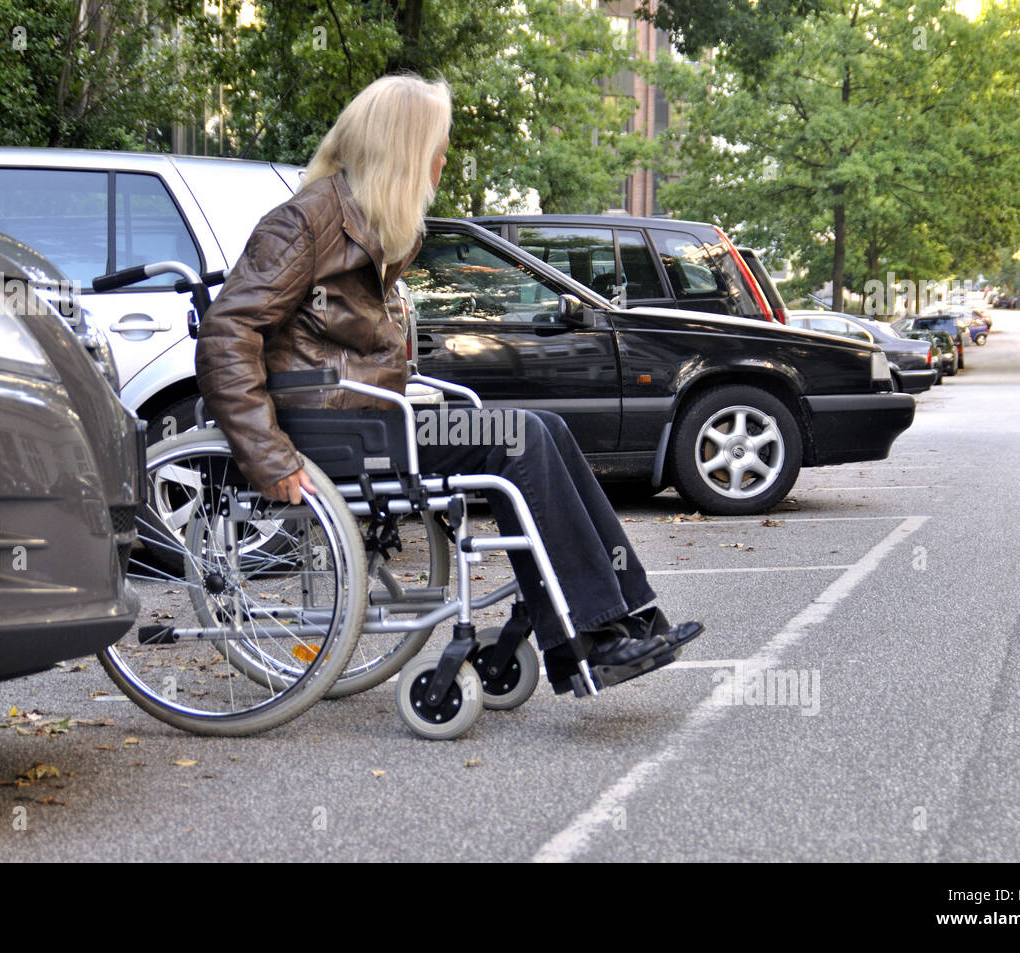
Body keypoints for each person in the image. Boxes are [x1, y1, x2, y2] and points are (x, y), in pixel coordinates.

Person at [195, 74, 702, 693]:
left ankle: (624, 617)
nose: (444, 158)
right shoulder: (303, 223)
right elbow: (227, 334)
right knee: (521, 438)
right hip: (330, 426)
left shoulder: (369, 219)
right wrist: (267, 453)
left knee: (546, 428)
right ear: (405, 151)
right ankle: (591, 635)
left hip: (373, 418)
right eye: (438, 145)